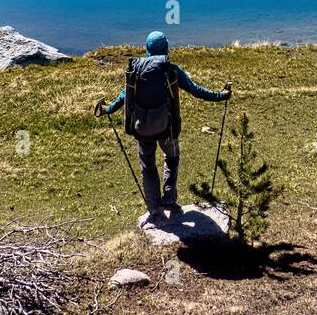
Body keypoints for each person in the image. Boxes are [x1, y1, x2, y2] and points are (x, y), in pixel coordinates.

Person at [94, 31, 230, 223]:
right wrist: (221, 95)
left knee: (147, 166)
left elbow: (125, 97)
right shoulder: (170, 69)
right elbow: (196, 91)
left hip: (142, 129)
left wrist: (108, 109)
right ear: (166, 48)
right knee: (171, 159)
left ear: (147, 49)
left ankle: (154, 209)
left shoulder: (136, 70)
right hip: (168, 129)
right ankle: (169, 199)